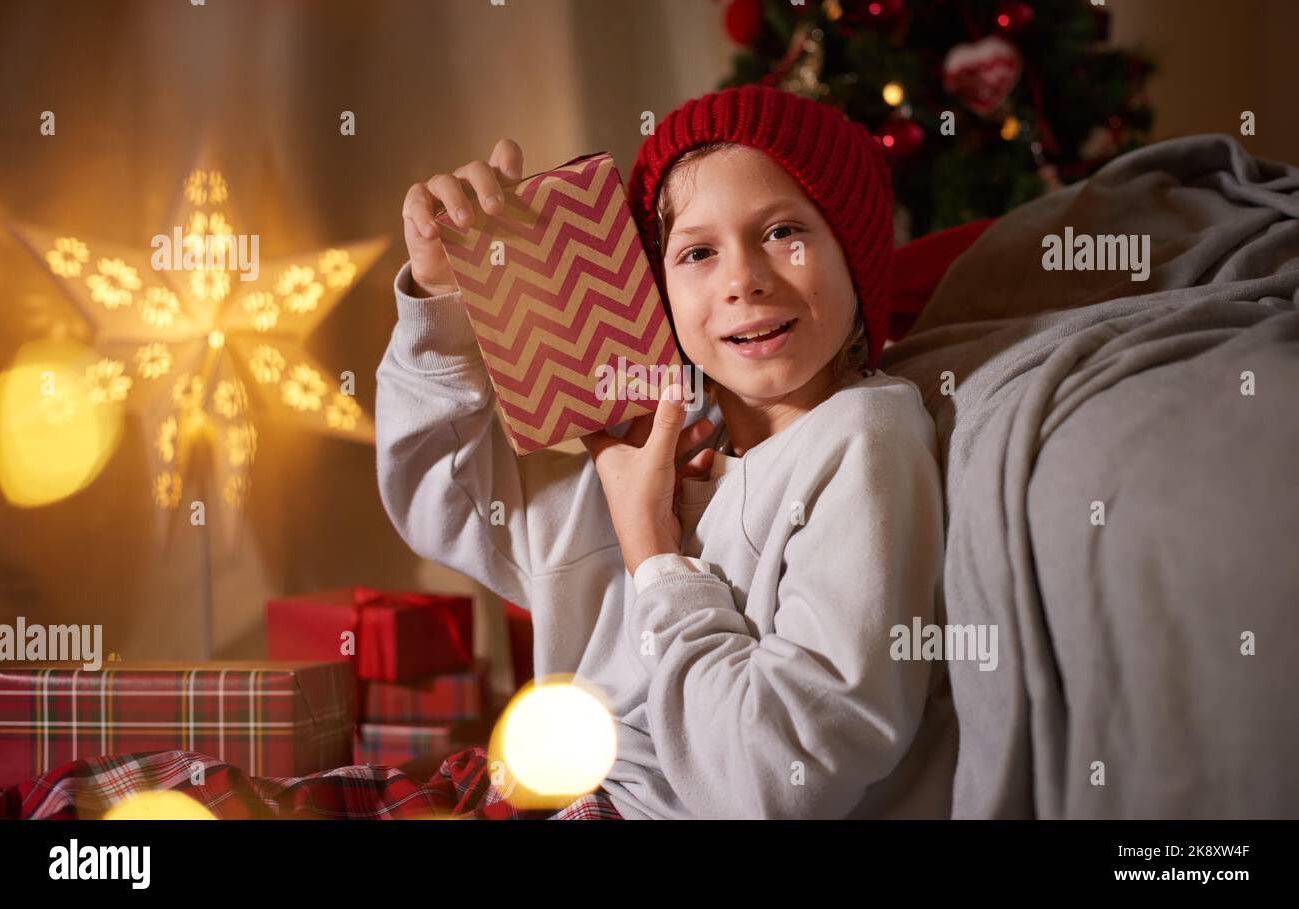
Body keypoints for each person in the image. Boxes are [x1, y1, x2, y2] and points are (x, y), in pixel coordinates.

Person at [377, 84, 957, 819]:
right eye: (698, 251)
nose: (743, 279)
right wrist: (439, 298)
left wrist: (653, 556)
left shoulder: (863, 440)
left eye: (784, 232)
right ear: (660, 288)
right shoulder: (653, 443)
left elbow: (782, 771)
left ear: (854, 257)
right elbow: (443, 502)